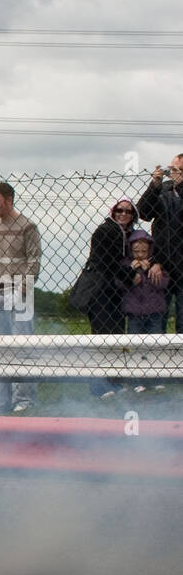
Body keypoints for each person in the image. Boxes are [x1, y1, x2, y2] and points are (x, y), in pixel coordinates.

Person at [0, 181, 42, 414]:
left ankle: (24, 400)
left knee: (22, 346)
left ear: (9, 199)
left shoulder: (28, 226)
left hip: (19, 295)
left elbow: (34, 259)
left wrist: (24, 286)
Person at [81, 199, 139, 398]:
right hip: (100, 291)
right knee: (103, 337)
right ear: (113, 212)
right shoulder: (107, 230)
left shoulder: (123, 234)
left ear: (133, 216)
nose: (124, 214)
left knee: (115, 335)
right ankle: (99, 387)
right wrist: (131, 275)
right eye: (120, 210)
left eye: (128, 212)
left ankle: (113, 383)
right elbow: (108, 262)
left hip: (111, 291)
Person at [135, 155, 183, 332]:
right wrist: (154, 185)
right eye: (172, 169)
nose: (173, 173)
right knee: (157, 319)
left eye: (178, 170)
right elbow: (143, 213)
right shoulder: (163, 190)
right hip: (163, 265)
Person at [122, 230, 170, 392]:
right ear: (131, 250)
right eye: (136, 251)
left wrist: (150, 271)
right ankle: (137, 381)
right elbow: (120, 285)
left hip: (154, 312)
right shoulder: (126, 265)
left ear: (149, 250)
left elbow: (163, 285)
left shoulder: (156, 266)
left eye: (144, 251)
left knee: (154, 347)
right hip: (135, 313)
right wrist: (131, 271)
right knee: (136, 347)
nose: (140, 255)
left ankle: (155, 380)